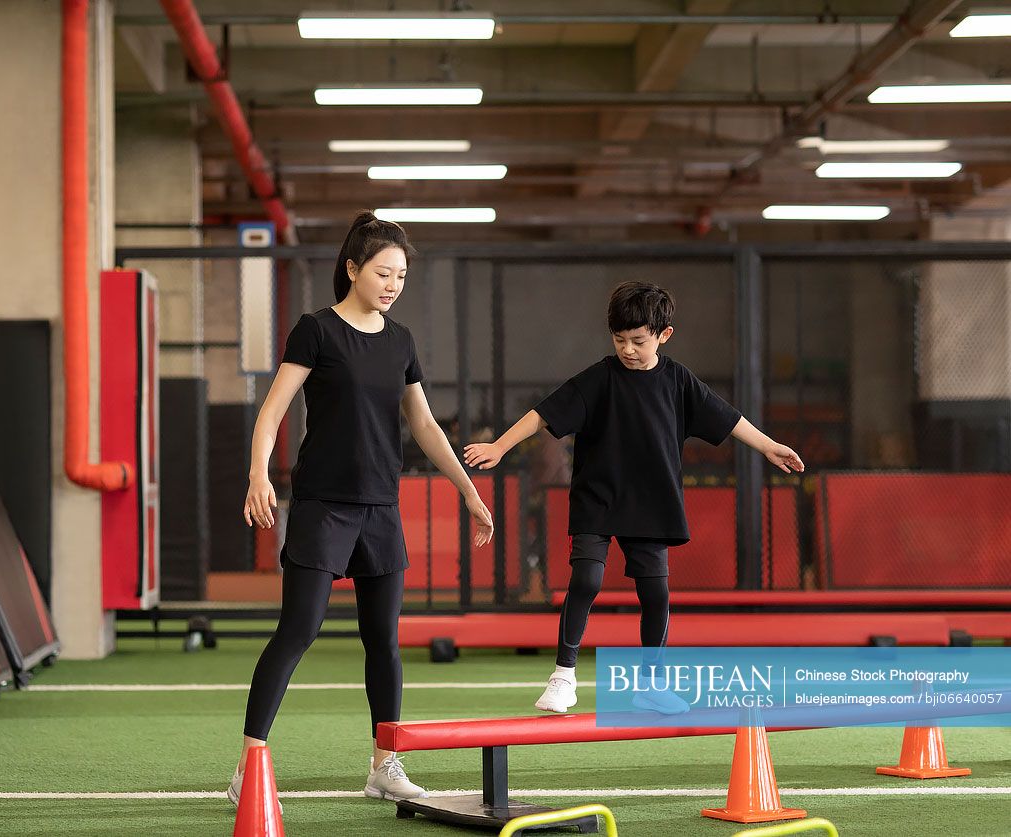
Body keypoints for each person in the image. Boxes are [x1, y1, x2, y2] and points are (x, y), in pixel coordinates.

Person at [232, 211, 495, 805]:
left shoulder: (401, 341)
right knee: (297, 630)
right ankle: (250, 762)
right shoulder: (316, 331)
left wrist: (469, 492)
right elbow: (272, 410)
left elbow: (424, 425)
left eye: (401, 275)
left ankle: (386, 764)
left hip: (381, 507)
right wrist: (257, 474)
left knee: (384, 640)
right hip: (323, 505)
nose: (392, 284)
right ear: (352, 270)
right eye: (383, 272)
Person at [463, 281, 803, 715]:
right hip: (597, 499)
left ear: (664, 335)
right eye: (620, 340)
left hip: (651, 500)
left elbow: (728, 418)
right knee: (585, 580)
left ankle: (652, 682)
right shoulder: (599, 378)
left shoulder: (678, 381)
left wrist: (769, 445)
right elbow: (543, 415)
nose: (628, 349)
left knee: (656, 593)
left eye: (638, 341)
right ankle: (563, 676)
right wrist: (499, 447)